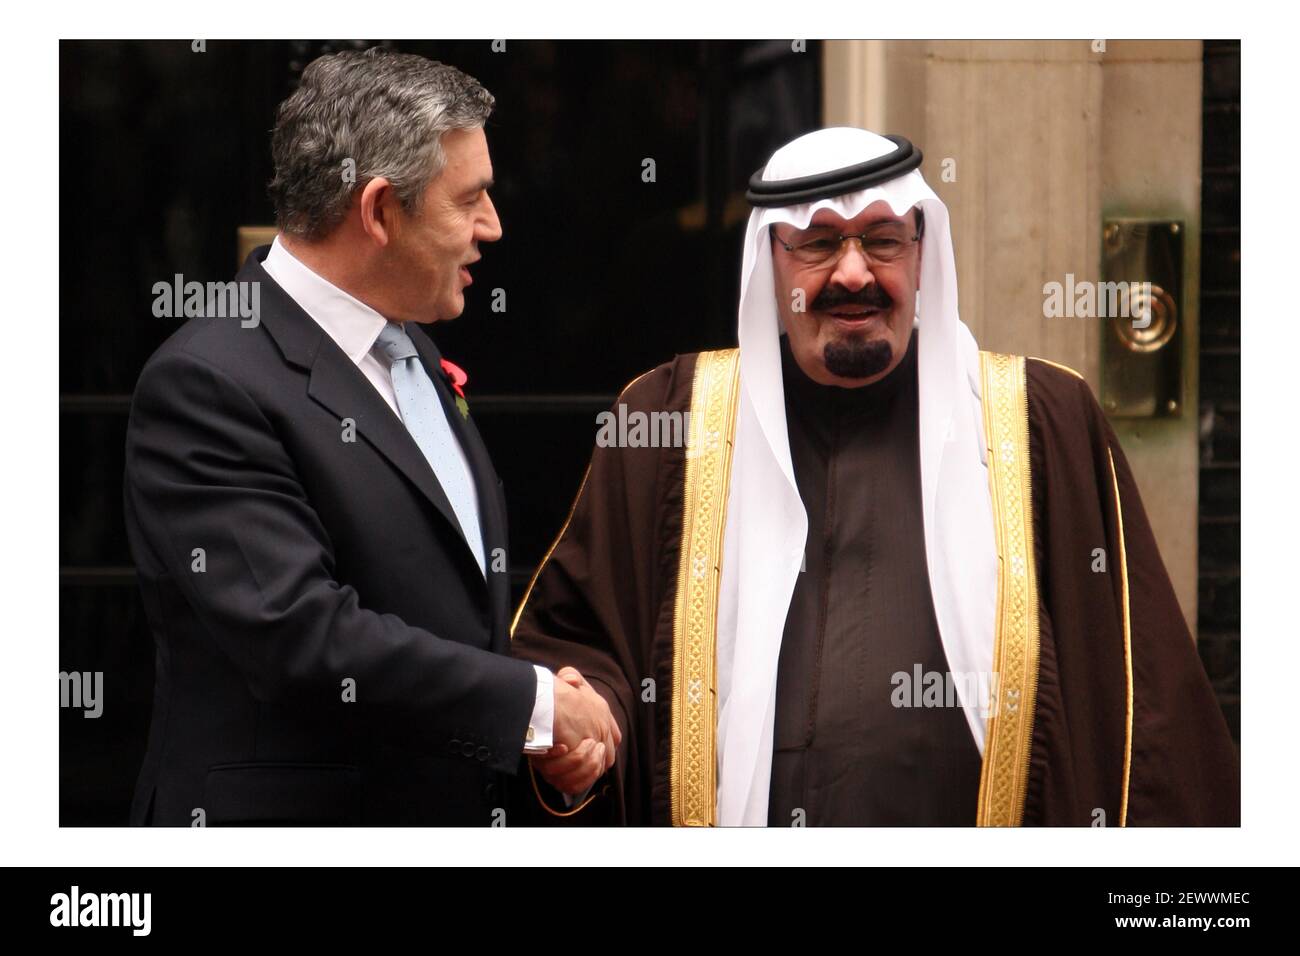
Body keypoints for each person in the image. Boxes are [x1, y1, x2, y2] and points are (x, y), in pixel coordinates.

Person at [510, 126, 1239, 826]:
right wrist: (587, 715)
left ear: (921, 255)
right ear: (772, 261)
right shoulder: (671, 423)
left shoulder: (1040, 423)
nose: (854, 272)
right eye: (820, 243)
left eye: (883, 240)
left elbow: (1147, 714)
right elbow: (582, 642)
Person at [124, 49, 617, 826]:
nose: (494, 225)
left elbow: (442, 611)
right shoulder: (206, 382)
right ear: (380, 211)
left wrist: (534, 736)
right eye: (472, 199)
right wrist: (533, 704)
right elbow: (300, 637)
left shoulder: (410, 343)